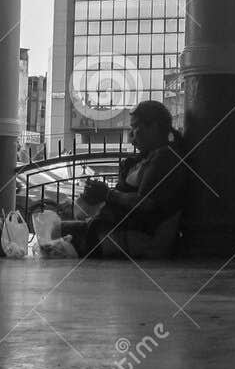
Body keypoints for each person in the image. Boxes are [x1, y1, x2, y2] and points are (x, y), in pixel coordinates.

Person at [64, 100, 189, 259]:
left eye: (136, 127)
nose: (132, 135)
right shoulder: (144, 159)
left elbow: (146, 204)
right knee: (58, 230)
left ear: (154, 127)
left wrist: (108, 194)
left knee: (58, 233)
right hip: (121, 230)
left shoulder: (164, 158)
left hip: (140, 237)